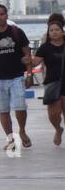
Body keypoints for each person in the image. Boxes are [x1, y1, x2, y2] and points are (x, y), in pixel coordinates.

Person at [0, 3, 34, 150]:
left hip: (17, 76)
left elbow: (27, 55)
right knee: (3, 110)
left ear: (7, 16)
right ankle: (10, 139)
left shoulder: (17, 32)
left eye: (2, 14)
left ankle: (22, 131)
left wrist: (29, 74)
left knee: (20, 107)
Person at [31, 13, 65, 147]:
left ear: (62, 32)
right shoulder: (45, 47)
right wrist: (27, 61)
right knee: (53, 114)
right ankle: (58, 129)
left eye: (57, 30)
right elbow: (35, 62)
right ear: (48, 33)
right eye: (51, 30)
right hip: (52, 82)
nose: (54, 32)